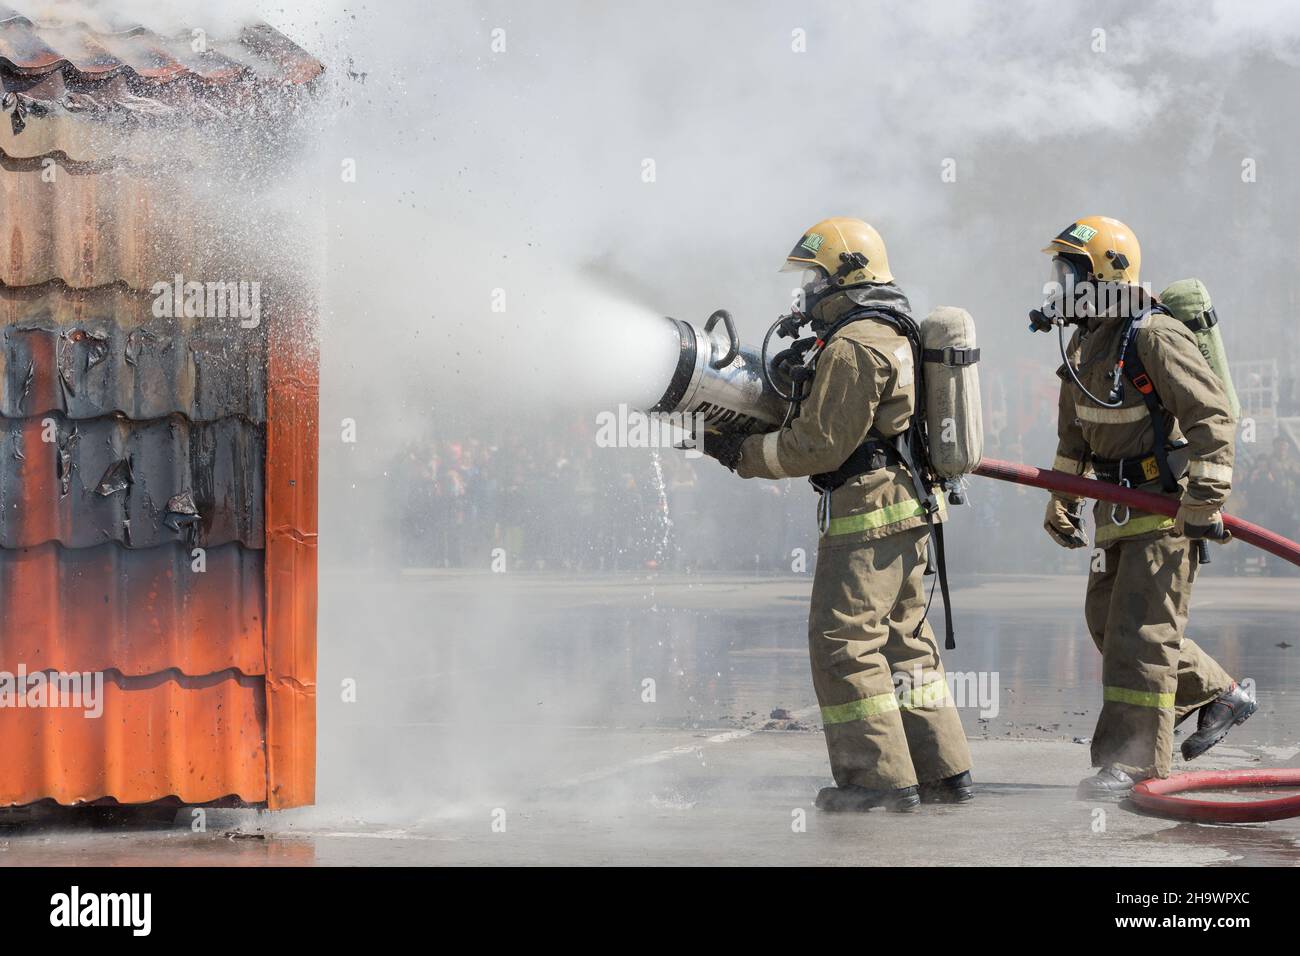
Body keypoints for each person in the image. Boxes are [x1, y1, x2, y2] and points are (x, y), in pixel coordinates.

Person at [703, 217, 973, 812]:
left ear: (845, 274)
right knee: (904, 642)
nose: (806, 290)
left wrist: (737, 453)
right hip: (909, 504)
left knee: (843, 642)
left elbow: (817, 445)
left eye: (815, 275)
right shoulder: (891, 331)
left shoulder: (855, 345)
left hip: (867, 512)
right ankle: (942, 771)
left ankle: (875, 782)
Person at [1036, 216, 1257, 800]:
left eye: (1068, 272)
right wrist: (1062, 497)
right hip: (1112, 513)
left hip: (1162, 509)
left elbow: (1212, 418)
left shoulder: (1153, 335)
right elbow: (1072, 438)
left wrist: (1205, 501)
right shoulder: (1085, 341)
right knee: (1108, 625)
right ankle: (1220, 694)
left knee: (1141, 637)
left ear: (1104, 272)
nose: (1058, 284)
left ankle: (1132, 763)